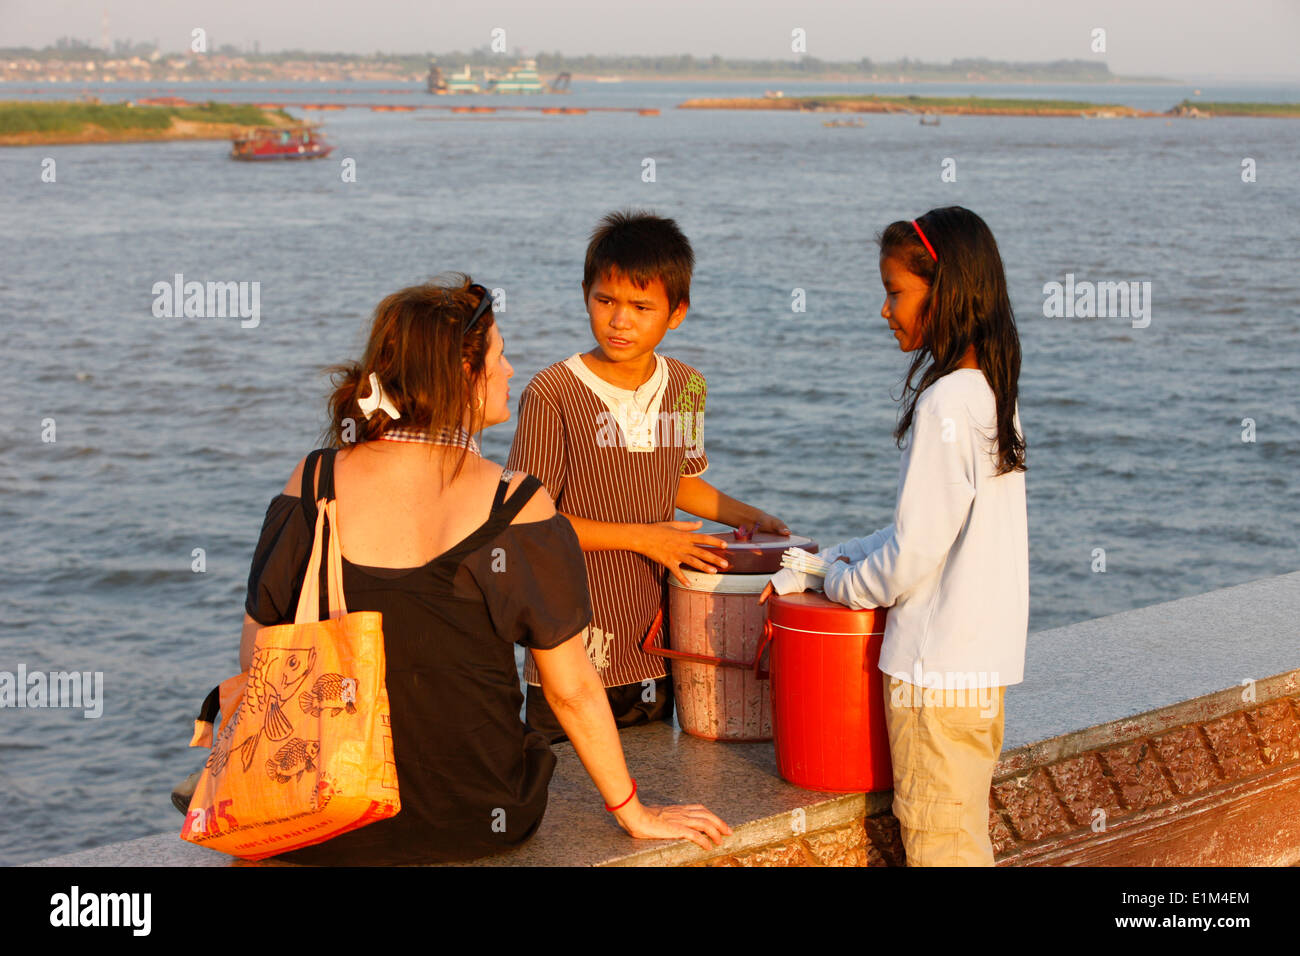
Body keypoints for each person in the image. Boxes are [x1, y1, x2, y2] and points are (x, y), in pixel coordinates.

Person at [231, 276, 731, 864]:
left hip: (323, 812)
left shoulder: (314, 482)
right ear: (464, 377)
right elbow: (570, 689)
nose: (512, 370)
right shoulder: (513, 503)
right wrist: (634, 812)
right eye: (498, 355)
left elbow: (258, 651)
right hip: (475, 814)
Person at [763, 207, 1029, 867]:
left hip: (933, 677)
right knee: (963, 839)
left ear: (949, 292)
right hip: (979, 674)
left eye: (895, 291)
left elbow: (913, 553)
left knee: (940, 848)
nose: (885, 310)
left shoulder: (944, 404)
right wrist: (847, 553)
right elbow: (934, 528)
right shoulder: (990, 392)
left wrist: (842, 581)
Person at [507, 210, 788, 743]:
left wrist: (751, 517)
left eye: (641, 307)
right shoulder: (551, 393)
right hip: (569, 640)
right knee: (566, 790)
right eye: (605, 301)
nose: (620, 321)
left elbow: (678, 481)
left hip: (656, 637)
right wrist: (645, 538)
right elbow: (528, 523)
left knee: (654, 764)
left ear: (676, 313)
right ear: (584, 294)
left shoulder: (686, 386)